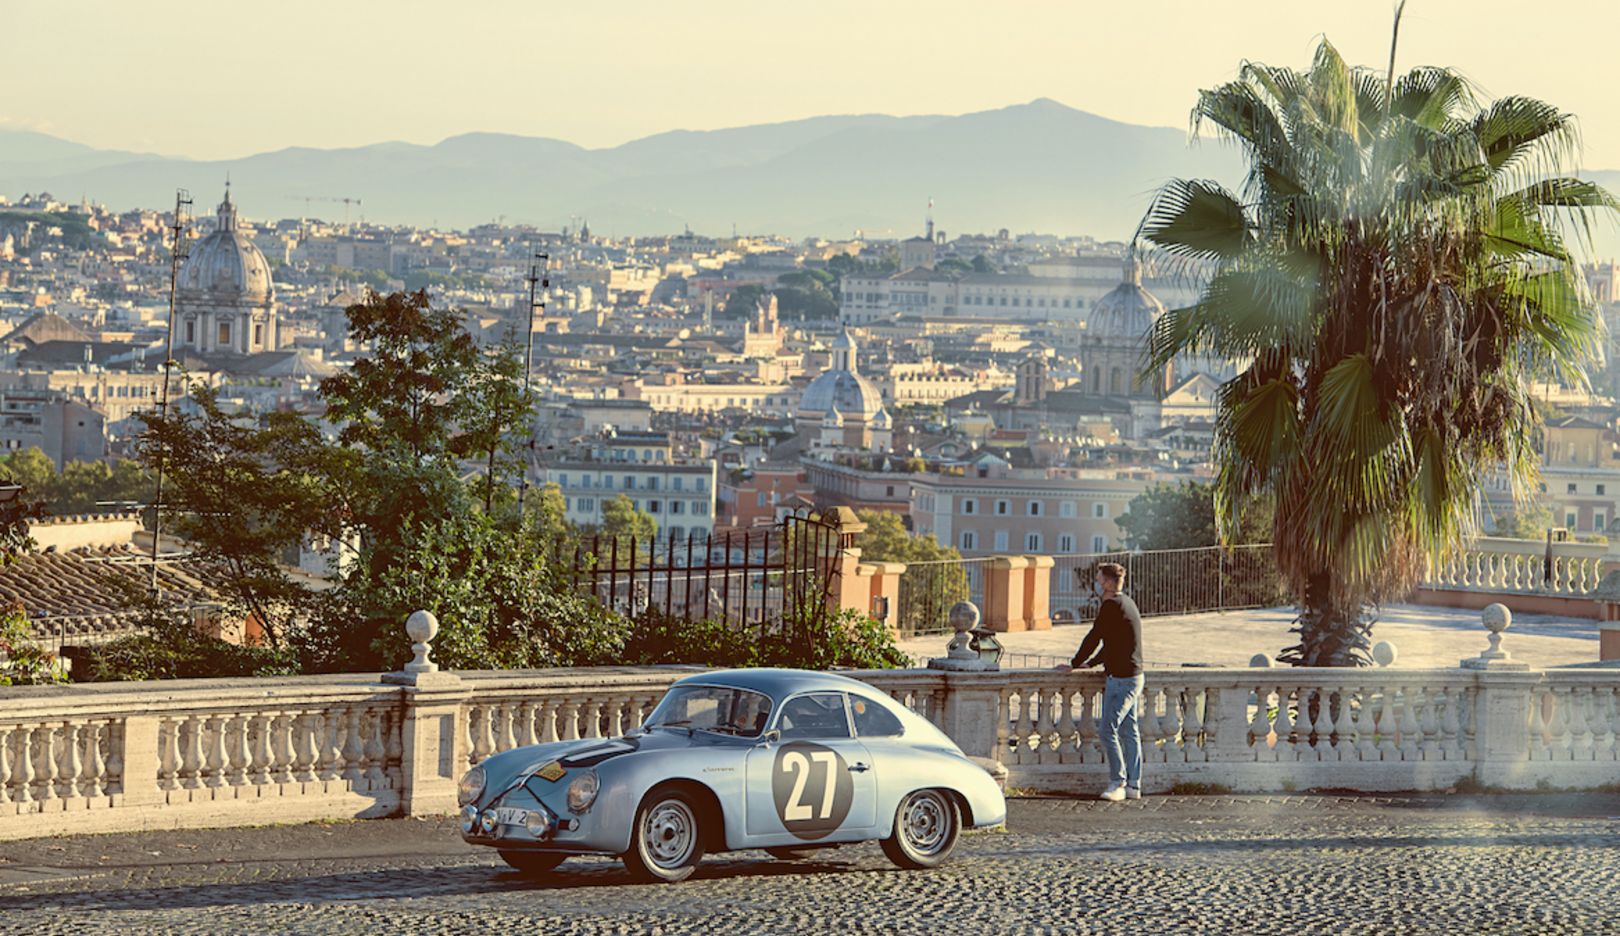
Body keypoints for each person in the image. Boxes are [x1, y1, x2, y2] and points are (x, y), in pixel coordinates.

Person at [1053, 562, 1143, 802]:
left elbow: (1095, 636)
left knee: (1107, 730)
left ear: (1109, 582)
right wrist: (1090, 664)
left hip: (1123, 680)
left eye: (1099, 579)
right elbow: (1113, 644)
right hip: (1133, 676)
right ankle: (1134, 785)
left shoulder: (1111, 606)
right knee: (1129, 730)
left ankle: (1118, 783)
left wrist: (1074, 662)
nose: (1096, 583)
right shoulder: (1128, 604)